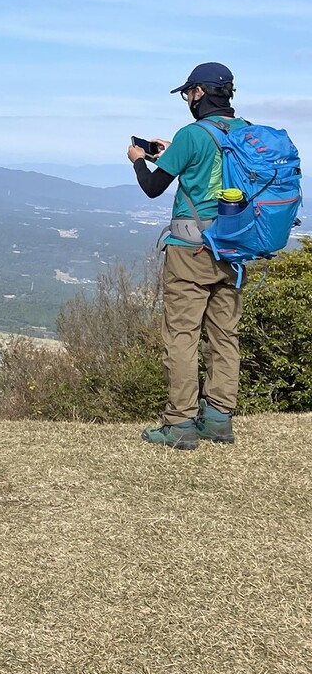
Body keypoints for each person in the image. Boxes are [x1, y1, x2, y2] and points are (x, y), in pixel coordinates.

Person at [127, 62, 246, 450]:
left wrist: (138, 159)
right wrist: (170, 152)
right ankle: (218, 419)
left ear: (200, 92)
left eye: (188, 93)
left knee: (182, 336)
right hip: (234, 249)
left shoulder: (192, 135)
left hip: (190, 251)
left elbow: (152, 187)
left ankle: (179, 424)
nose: (187, 100)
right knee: (225, 335)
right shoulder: (246, 133)